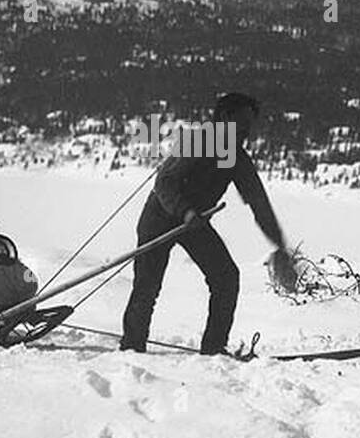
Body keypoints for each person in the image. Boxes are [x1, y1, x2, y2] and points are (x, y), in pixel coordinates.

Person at [120, 92, 293, 355]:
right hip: (160, 217)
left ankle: (214, 348)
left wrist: (279, 244)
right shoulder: (201, 141)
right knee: (148, 284)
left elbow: (259, 203)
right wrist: (186, 212)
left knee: (226, 277)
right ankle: (132, 347)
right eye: (243, 122)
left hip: (195, 223)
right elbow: (164, 183)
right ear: (224, 118)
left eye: (250, 124)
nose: (247, 130)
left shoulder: (233, 155)